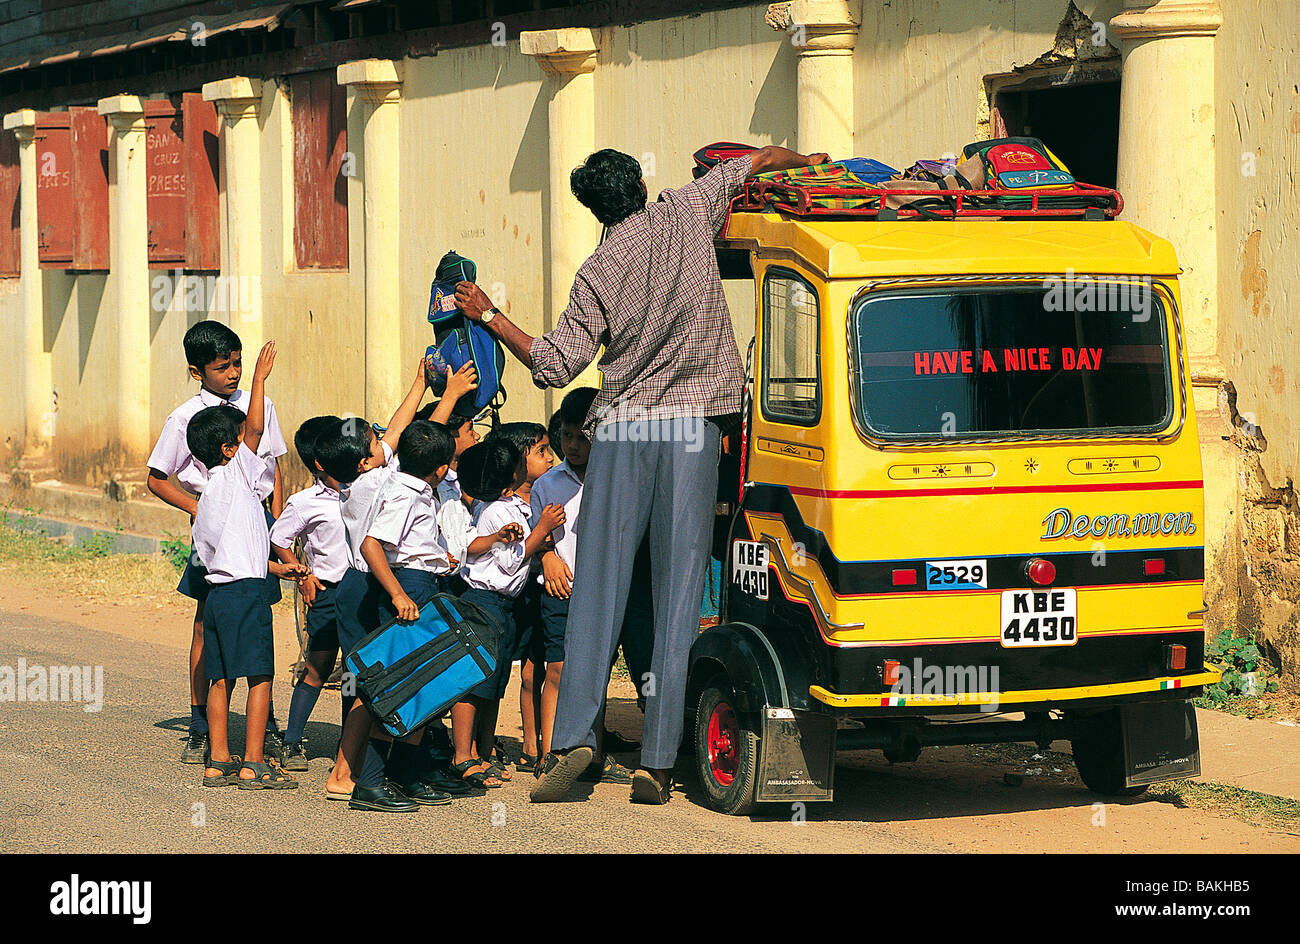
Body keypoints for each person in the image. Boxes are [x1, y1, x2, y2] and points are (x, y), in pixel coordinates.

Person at [454, 143, 827, 804]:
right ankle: (658, 760)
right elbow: (757, 160)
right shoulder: (689, 209)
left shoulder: (598, 270)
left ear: (595, 206)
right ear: (640, 184)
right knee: (679, 593)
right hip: (694, 432)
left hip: (623, 430)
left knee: (599, 587)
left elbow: (551, 364)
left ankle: (574, 742)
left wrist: (487, 312)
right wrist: (808, 159)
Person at [315, 360, 475, 811]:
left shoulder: (376, 476)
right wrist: (447, 399)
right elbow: (416, 446)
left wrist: (421, 382)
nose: (383, 438)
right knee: (382, 684)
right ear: (366, 461)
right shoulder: (387, 483)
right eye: (374, 438)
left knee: (397, 681)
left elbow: (407, 439)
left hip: (387, 580)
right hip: (374, 586)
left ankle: (390, 774)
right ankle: (354, 775)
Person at [146, 320, 289, 765]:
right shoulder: (184, 417)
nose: (233, 373)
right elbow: (156, 478)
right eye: (222, 366)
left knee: (254, 616)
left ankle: (260, 724)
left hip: (257, 524)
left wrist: (279, 529)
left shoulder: (255, 404)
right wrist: (199, 509)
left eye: (238, 364)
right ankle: (200, 724)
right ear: (196, 372)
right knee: (207, 623)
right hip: (216, 529)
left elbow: (273, 468)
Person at [187, 340, 306, 790]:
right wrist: (257, 378)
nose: (249, 444)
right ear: (227, 448)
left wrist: (279, 569)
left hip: (218, 596)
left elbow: (228, 557)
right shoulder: (236, 473)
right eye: (241, 441)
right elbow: (254, 428)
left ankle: (218, 760)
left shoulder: (210, 496)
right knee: (259, 676)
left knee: (220, 678)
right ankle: (254, 761)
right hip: (246, 597)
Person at [449, 440, 563, 787]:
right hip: (486, 602)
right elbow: (512, 560)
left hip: (504, 607)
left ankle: (483, 753)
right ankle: (463, 756)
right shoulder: (497, 510)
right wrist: (542, 530)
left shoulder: (510, 504)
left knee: (494, 684)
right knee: (475, 682)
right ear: (506, 479)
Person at [269, 415, 346, 771]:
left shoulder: (363, 489)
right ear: (321, 461)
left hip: (361, 591)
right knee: (319, 666)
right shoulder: (305, 502)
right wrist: (304, 577)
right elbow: (279, 539)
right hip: (327, 593)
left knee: (357, 672)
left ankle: (350, 746)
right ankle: (292, 740)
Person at [483, 422, 554, 772]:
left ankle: (541, 745)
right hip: (513, 593)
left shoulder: (552, 492)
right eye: (541, 451)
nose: (551, 458)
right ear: (516, 461)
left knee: (540, 661)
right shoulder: (499, 506)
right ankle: (524, 743)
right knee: (516, 669)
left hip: (544, 589)